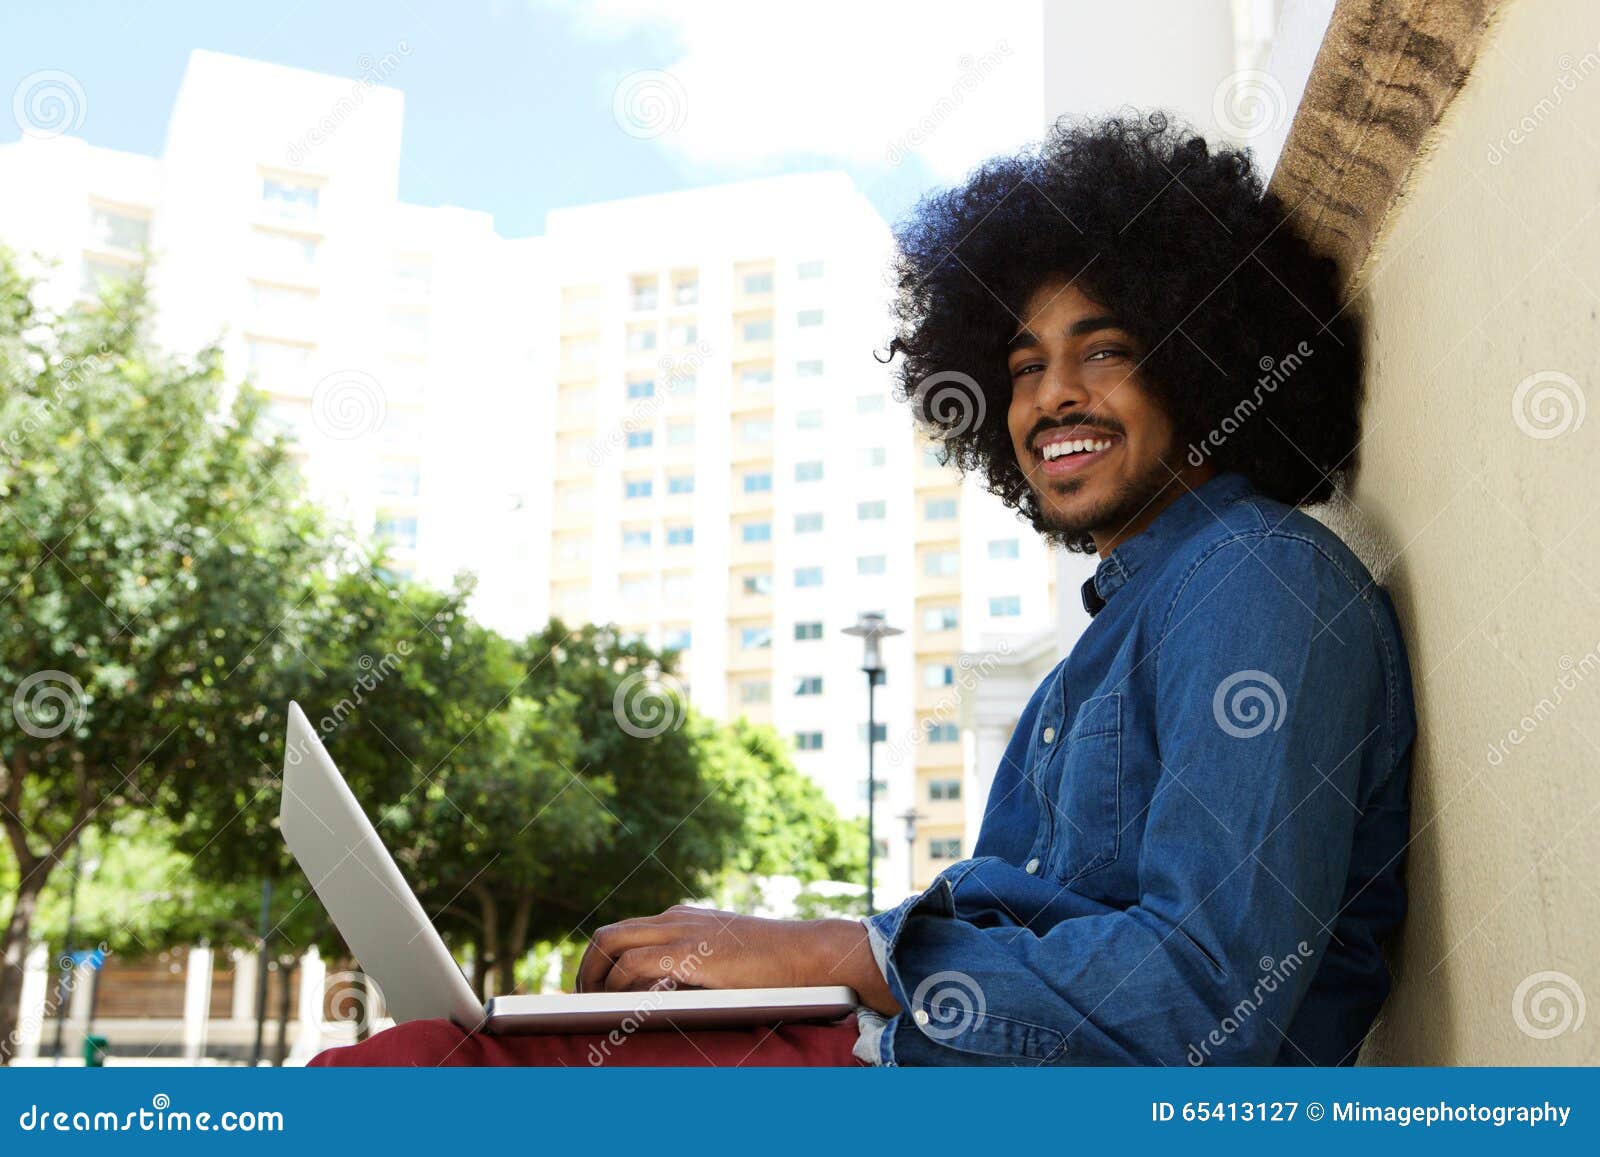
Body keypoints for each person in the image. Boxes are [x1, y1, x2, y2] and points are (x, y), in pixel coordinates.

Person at [311, 111, 1414, 1068]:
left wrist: (823, 949)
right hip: (905, 1060)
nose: (1052, 397)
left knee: (417, 1071)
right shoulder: (1117, 633)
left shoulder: (1258, 576)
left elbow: (1205, 997)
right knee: (438, 1053)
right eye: (1023, 366)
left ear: (1203, 364)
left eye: (1104, 350)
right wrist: (778, 956)